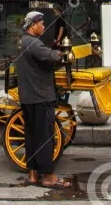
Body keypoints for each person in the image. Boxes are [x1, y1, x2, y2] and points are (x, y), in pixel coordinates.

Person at [15, 11, 72, 189]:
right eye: (41, 23)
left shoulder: (22, 42)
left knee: (31, 135)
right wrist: (63, 54)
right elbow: (52, 56)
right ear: (33, 25)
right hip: (40, 96)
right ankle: (48, 176)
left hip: (28, 97)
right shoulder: (32, 42)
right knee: (45, 137)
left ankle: (33, 174)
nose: (43, 26)